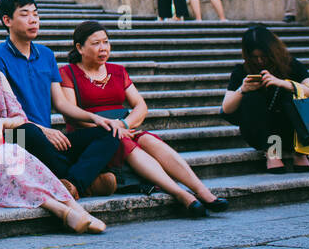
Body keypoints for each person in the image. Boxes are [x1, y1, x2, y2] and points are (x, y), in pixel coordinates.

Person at [0, 14, 105, 233]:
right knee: (10, 156)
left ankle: (75, 210)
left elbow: (19, 117)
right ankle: (62, 211)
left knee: (15, 157)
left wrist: (1, 122)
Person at [62, 20, 227, 215]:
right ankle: (182, 194)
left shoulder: (117, 71)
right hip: (93, 134)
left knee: (148, 139)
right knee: (122, 141)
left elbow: (140, 106)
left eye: (106, 42)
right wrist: (112, 128)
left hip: (124, 127)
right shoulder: (68, 73)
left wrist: (124, 124)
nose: (103, 48)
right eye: (96, 43)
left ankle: (203, 191)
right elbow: (71, 115)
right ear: (80, 47)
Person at [0, 0, 119, 200]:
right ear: (7, 20)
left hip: (48, 140)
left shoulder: (47, 54)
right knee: (30, 133)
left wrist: (96, 119)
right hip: (18, 135)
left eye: (35, 14)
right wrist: (42, 130)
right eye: (24, 14)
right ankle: (85, 181)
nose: (33, 20)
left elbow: (60, 102)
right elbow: (1, 111)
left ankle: (72, 182)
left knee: (110, 131)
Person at [222, 25, 309, 172]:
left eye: (264, 56)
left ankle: (301, 152)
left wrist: (282, 83)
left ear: (273, 52)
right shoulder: (242, 70)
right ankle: (272, 153)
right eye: (255, 57)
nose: (260, 61)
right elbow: (226, 108)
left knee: (291, 93)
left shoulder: (292, 65)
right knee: (252, 97)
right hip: (260, 132)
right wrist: (242, 89)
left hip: (293, 132)